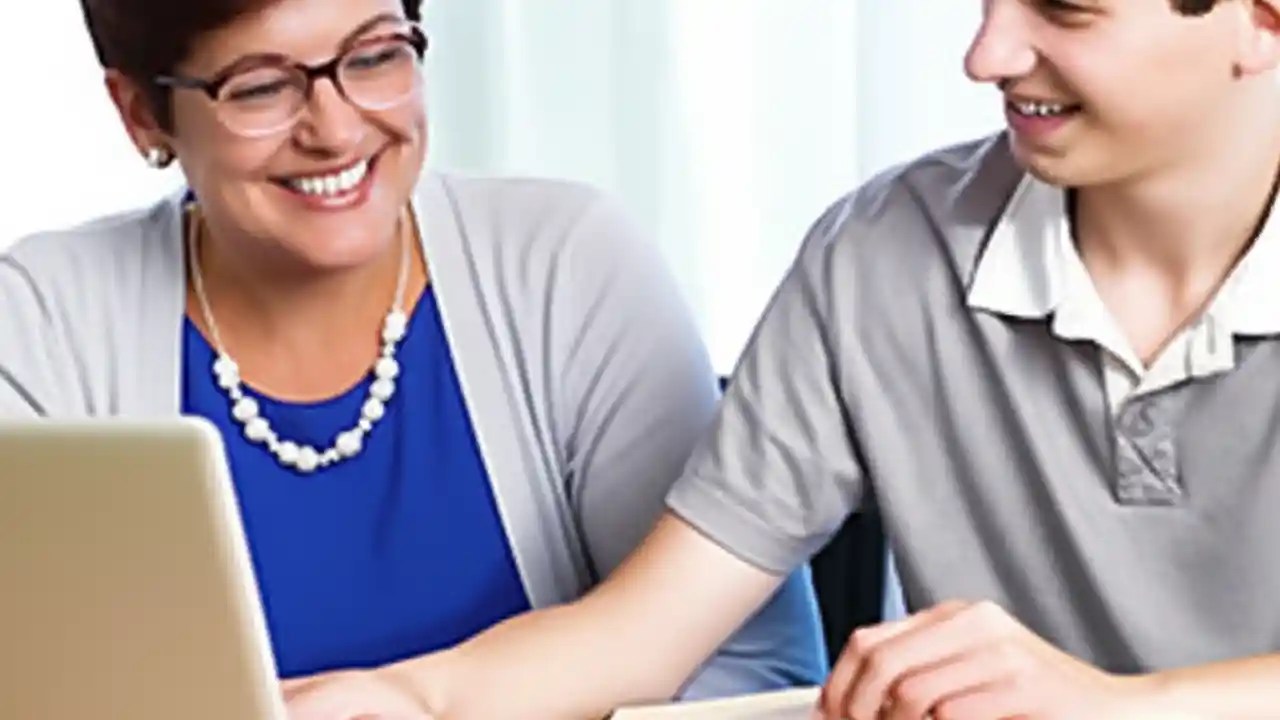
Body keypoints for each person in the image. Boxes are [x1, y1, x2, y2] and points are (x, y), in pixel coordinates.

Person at [272, 0, 1280, 718]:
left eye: (1064, 9)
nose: (986, 52)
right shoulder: (881, 253)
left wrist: (1115, 707)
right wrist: (406, 698)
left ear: (1258, 19)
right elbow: (646, 629)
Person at [0, 0, 828, 710]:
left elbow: (752, 676)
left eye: (375, 56)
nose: (336, 127)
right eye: (259, 86)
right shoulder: (40, 322)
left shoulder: (567, 264)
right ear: (143, 113)